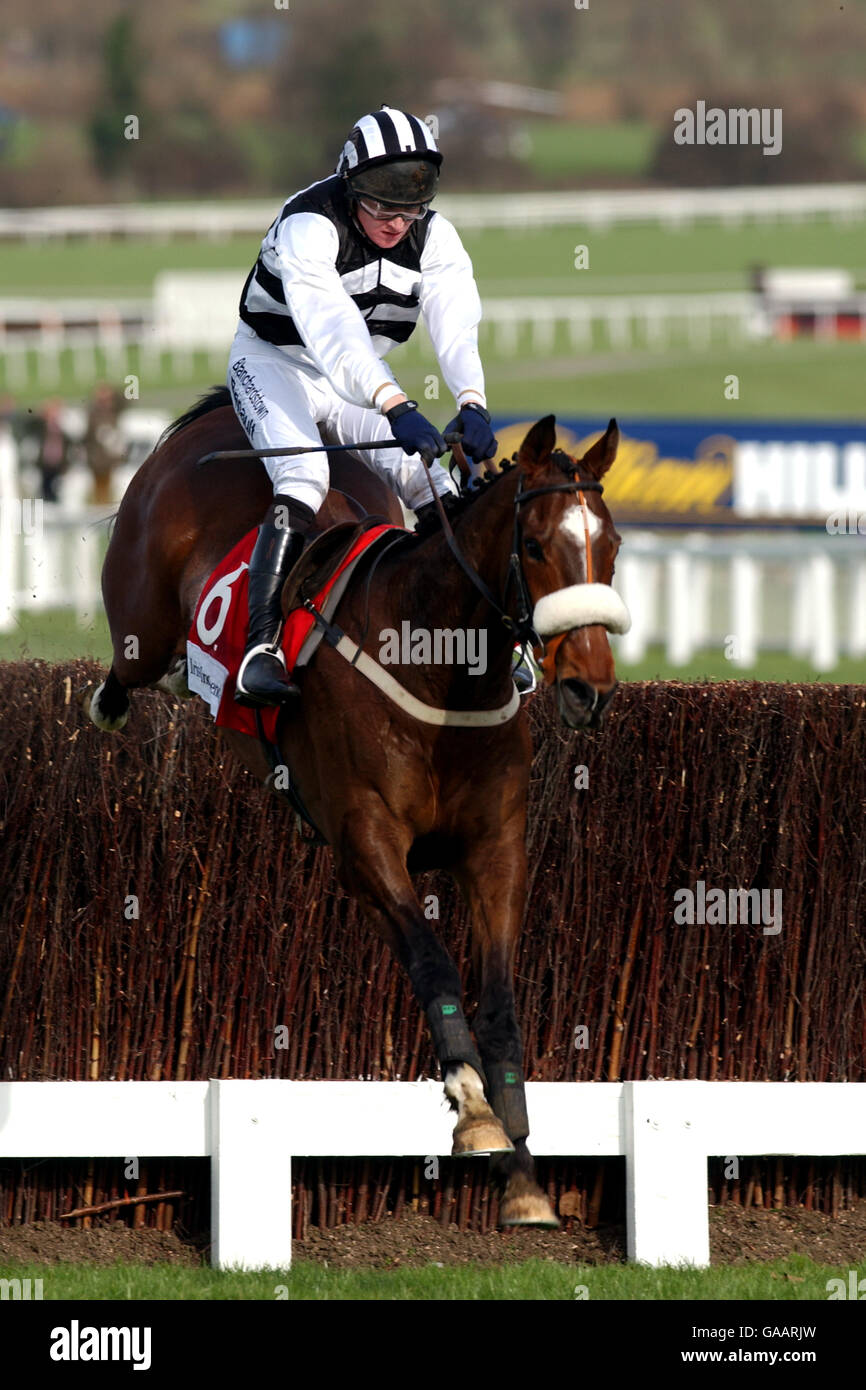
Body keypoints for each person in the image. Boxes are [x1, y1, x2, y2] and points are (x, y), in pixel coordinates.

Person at [227, 104, 498, 707]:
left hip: (361, 377)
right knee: (304, 475)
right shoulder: (308, 225)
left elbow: (456, 328)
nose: (397, 221)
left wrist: (474, 404)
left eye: (411, 205)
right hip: (275, 364)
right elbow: (334, 333)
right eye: (380, 204)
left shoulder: (437, 236)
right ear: (351, 188)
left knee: (434, 482)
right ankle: (260, 649)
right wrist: (396, 404)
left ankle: (478, 642)